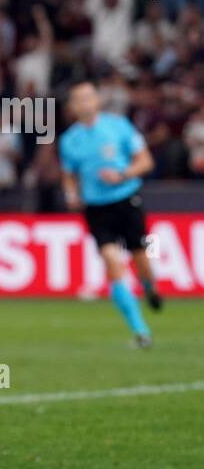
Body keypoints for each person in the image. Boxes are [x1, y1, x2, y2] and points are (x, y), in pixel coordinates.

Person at [59, 81, 161, 347]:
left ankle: (149, 287)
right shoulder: (70, 140)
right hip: (96, 207)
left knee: (141, 259)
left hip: (126, 199)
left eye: (88, 97)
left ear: (97, 101)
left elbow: (146, 161)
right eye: (78, 99)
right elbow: (69, 175)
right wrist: (71, 194)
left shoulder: (119, 126)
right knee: (112, 262)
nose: (84, 103)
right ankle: (141, 331)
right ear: (72, 106)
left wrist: (123, 174)